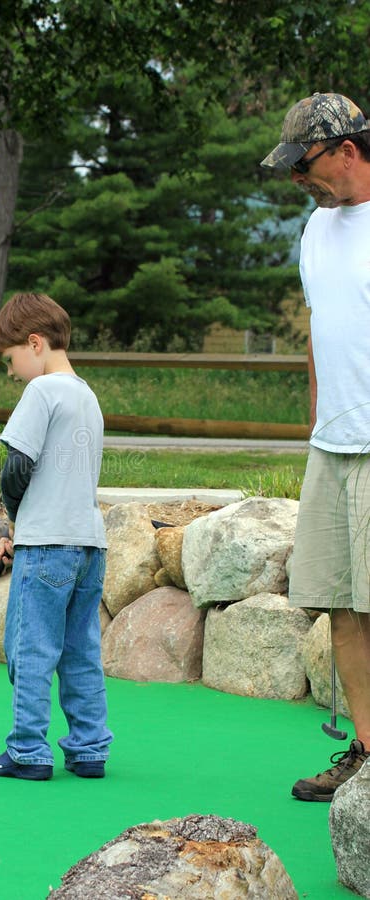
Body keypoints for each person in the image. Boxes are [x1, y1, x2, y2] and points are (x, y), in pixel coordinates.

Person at [261, 91, 370, 801]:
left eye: (304, 166)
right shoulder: (315, 229)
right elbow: (319, 328)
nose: (298, 180)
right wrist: (316, 413)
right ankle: (366, 752)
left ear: (348, 151)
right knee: (342, 606)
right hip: (331, 446)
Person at [0, 292, 113, 781]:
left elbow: (17, 467)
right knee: (80, 652)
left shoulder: (41, 391)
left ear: (35, 343)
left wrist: (17, 524)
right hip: (89, 545)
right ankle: (89, 749)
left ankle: (28, 752)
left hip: (46, 546)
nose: (12, 372)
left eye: (10, 359)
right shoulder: (87, 396)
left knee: (30, 650)